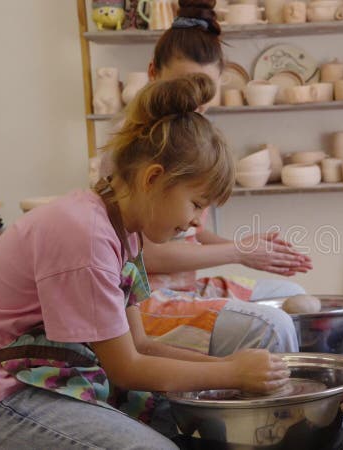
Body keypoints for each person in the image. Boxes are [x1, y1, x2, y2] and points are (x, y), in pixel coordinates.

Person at [0, 74, 291, 448]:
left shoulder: (121, 230)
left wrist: (231, 372)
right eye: (196, 204)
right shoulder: (85, 234)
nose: (198, 221)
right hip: (3, 390)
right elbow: (126, 368)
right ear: (153, 178)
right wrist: (231, 372)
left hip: (51, 373)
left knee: (198, 410)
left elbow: (141, 346)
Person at [99, 0, 313, 354]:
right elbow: (144, 255)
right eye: (183, 86)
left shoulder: (194, 133)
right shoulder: (134, 146)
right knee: (273, 324)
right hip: (142, 298)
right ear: (153, 73)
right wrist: (238, 252)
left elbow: (189, 232)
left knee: (294, 296)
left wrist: (252, 249)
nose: (194, 104)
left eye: (205, 92)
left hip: (183, 285)